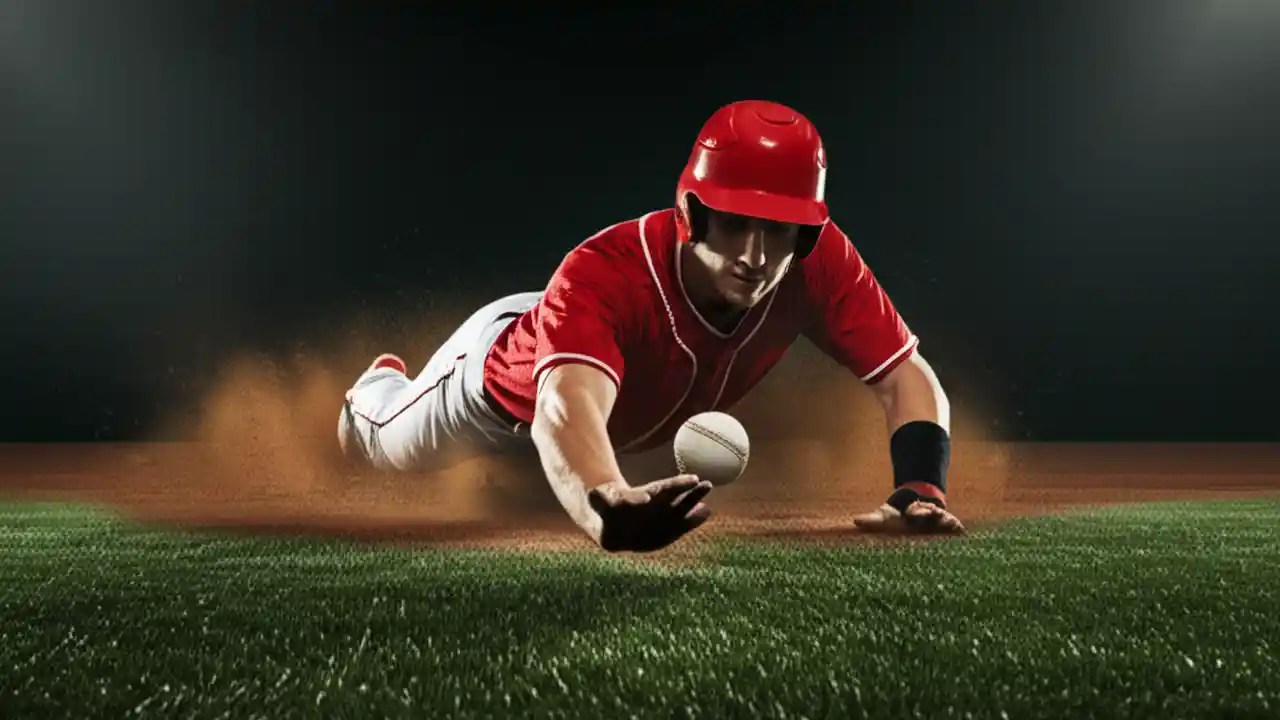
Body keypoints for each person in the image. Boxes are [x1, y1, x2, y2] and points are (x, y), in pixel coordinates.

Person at [338, 99, 964, 552]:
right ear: (693, 211)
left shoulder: (815, 265)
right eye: (737, 222)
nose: (755, 254)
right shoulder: (605, 272)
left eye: (780, 229)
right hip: (495, 388)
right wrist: (604, 502)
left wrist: (920, 487)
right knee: (382, 448)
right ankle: (373, 391)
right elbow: (564, 406)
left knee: (524, 489)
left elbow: (905, 375)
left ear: (808, 231)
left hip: (583, 370)